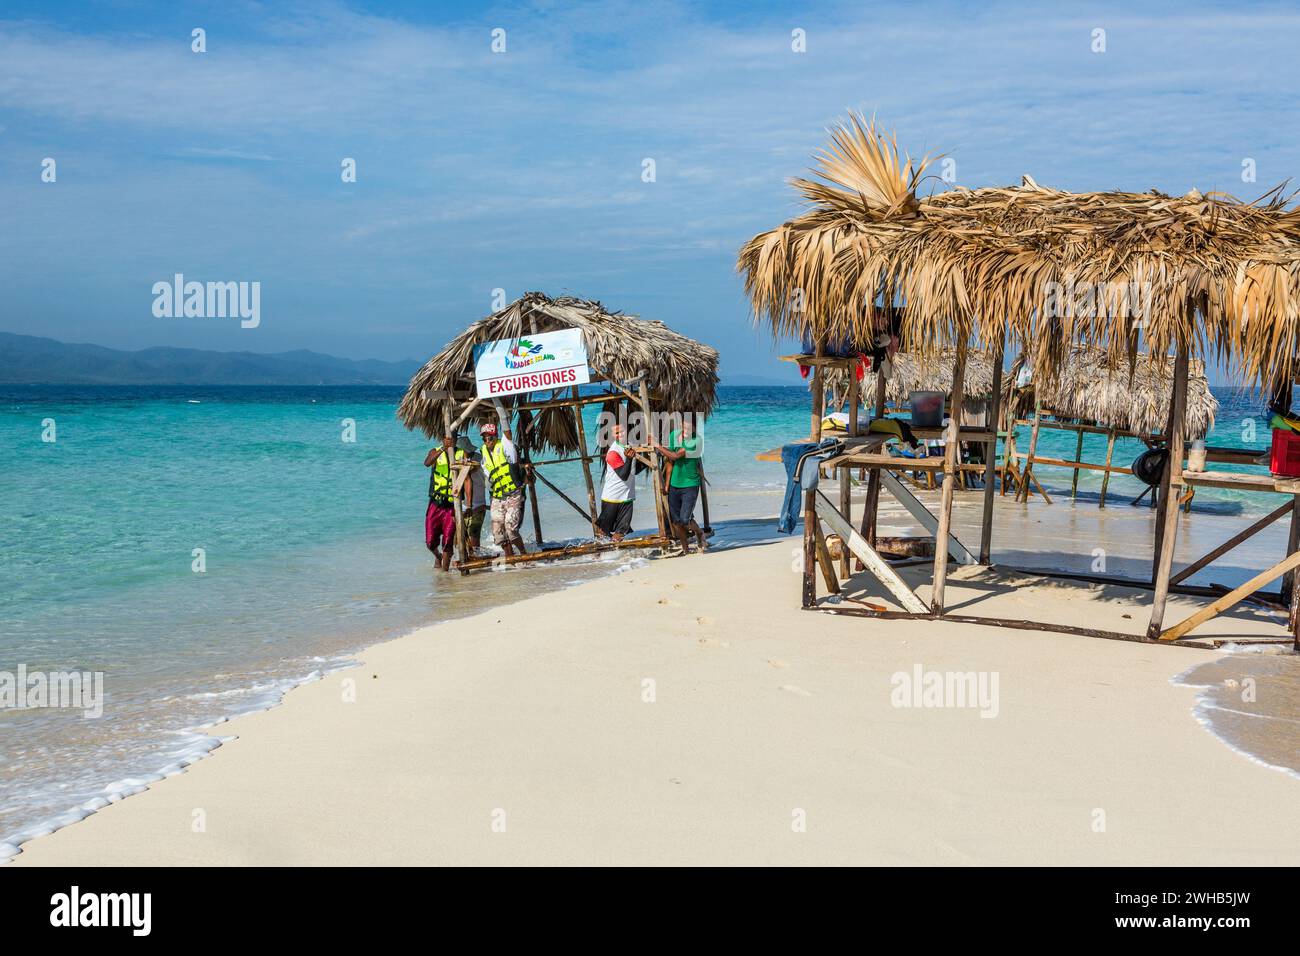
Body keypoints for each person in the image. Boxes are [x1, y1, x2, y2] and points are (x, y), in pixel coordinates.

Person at [654, 416, 708, 553]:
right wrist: (667, 485)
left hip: (690, 484)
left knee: (685, 519)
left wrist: (657, 445)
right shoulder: (674, 435)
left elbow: (675, 456)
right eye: (684, 427)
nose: (685, 431)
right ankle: (685, 550)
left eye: (689, 429)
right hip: (674, 485)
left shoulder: (696, 440)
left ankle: (699, 532)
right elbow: (670, 462)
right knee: (676, 521)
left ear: (695, 428)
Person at [479, 420, 527, 557]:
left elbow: (508, 433)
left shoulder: (505, 447)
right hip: (497, 496)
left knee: (511, 531)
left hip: (513, 494)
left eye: (490, 438)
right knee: (498, 534)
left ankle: (524, 553)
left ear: (496, 436)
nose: (487, 441)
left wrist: (499, 408)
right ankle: (509, 556)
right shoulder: (483, 452)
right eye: (485, 438)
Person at [424, 434, 468, 572]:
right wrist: (444, 448)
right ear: (443, 438)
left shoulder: (461, 453)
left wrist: (469, 503)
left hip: (451, 505)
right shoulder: (435, 451)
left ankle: (445, 573)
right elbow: (427, 463)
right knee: (430, 542)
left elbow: (467, 478)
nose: (451, 441)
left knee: (448, 541)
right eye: (448, 438)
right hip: (436, 503)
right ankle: (438, 556)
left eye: (454, 438)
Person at [597, 423, 645, 541]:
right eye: (617, 433)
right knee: (604, 531)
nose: (620, 434)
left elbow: (634, 470)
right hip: (612, 498)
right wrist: (629, 459)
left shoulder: (630, 446)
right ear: (613, 435)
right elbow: (623, 475)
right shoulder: (613, 452)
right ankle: (599, 554)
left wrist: (647, 459)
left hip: (627, 497)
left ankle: (615, 555)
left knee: (621, 531)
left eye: (622, 431)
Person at [457, 435, 488, 554]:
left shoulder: (478, 459)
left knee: (474, 535)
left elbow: (468, 475)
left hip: (477, 504)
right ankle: (468, 555)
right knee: (462, 537)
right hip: (465, 505)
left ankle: (475, 556)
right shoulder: (461, 459)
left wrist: (469, 505)